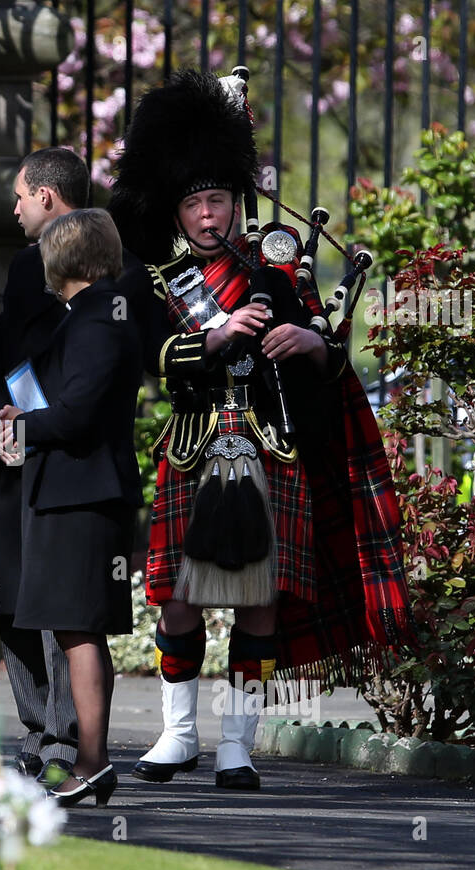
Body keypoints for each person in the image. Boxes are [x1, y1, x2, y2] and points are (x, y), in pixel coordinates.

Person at [108, 68, 412, 789]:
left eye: (217, 199)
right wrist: (212, 341)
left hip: (271, 444)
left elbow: (328, 350)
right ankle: (178, 733)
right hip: (192, 445)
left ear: (235, 197)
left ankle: (236, 745)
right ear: (176, 210)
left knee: (261, 597)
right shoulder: (156, 275)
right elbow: (144, 357)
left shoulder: (278, 259)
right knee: (177, 594)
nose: (209, 216)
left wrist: (310, 344)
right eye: (195, 203)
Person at [0, 208, 145, 807]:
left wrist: (24, 424)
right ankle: (92, 761)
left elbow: (79, 412)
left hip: (83, 492)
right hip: (74, 488)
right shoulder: (92, 314)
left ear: (64, 260)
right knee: (74, 624)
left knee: (80, 627)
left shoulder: (99, 318)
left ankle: (93, 760)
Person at [0, 147, 88, 783]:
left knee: (56, 601)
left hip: (67, 454)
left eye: (19, 196)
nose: (11, 208)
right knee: (9, 594)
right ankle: (37, 730)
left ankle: (65, 737)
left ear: (47, 196)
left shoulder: (106, 267)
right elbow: (1, 353)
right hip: (15, 447)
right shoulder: (21, 268)